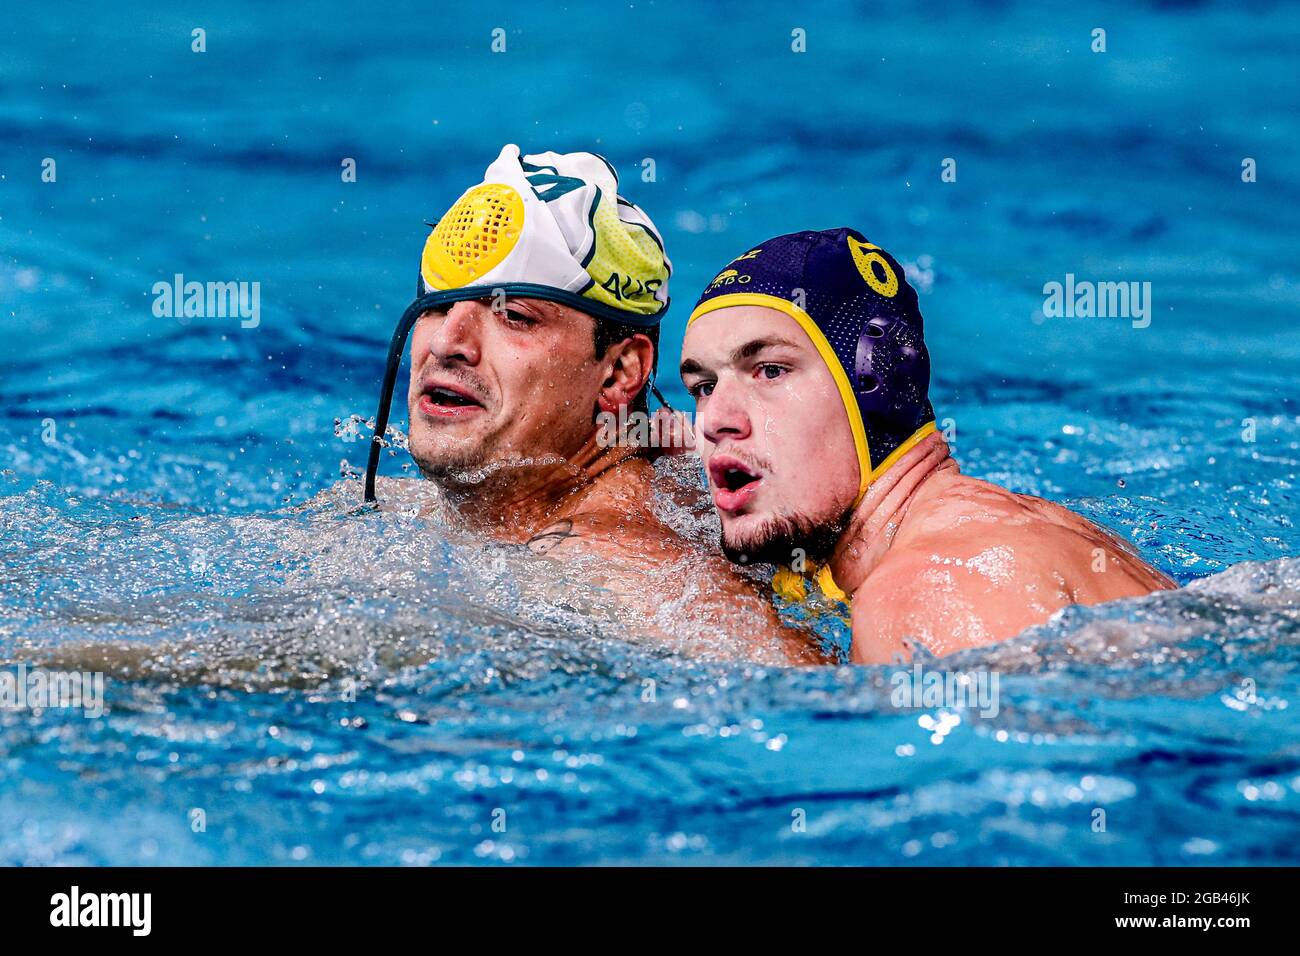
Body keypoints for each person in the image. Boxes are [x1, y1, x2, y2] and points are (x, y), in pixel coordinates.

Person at [361, 145, 828, 665]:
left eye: (514, 315)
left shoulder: (640, 578)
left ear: (620, 371)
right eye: (439, 304)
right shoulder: (408, 508)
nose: (447, 342)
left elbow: (823, 703)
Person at [678, 227, 1176, 664]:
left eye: (769, 371)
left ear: (877, 383)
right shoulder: (995, 528)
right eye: (703, 387)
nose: (716, 421)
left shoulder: (928, 591)